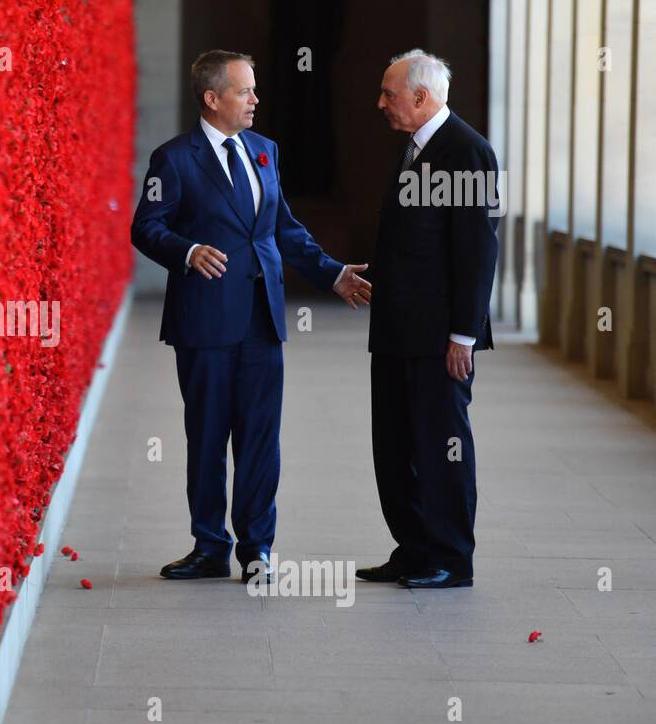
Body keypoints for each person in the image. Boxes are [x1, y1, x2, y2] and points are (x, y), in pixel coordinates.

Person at [131, 49, 371, 582]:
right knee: (209, 436)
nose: (256, 100)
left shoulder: (265, 151)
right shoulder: (174, 159)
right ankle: (209, 546)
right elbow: (146, 226)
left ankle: (257, 549)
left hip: (263, 319)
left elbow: (282, 227)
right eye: (245, 91)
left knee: (262, 438)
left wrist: (331, 273)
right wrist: (187, 251)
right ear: (212, 98)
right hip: (205, 321)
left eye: (254, 89)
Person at [356, 49, 500, 590]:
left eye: (388, 95)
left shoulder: (468, 151)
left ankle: (449, 558)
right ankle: (413, 548)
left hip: (439, 337)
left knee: (442, 448)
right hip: (396, 330)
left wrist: (463, 333)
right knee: (394, 446)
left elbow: (477, 251)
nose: (380, 104)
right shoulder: (416, 147)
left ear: (420, 97)